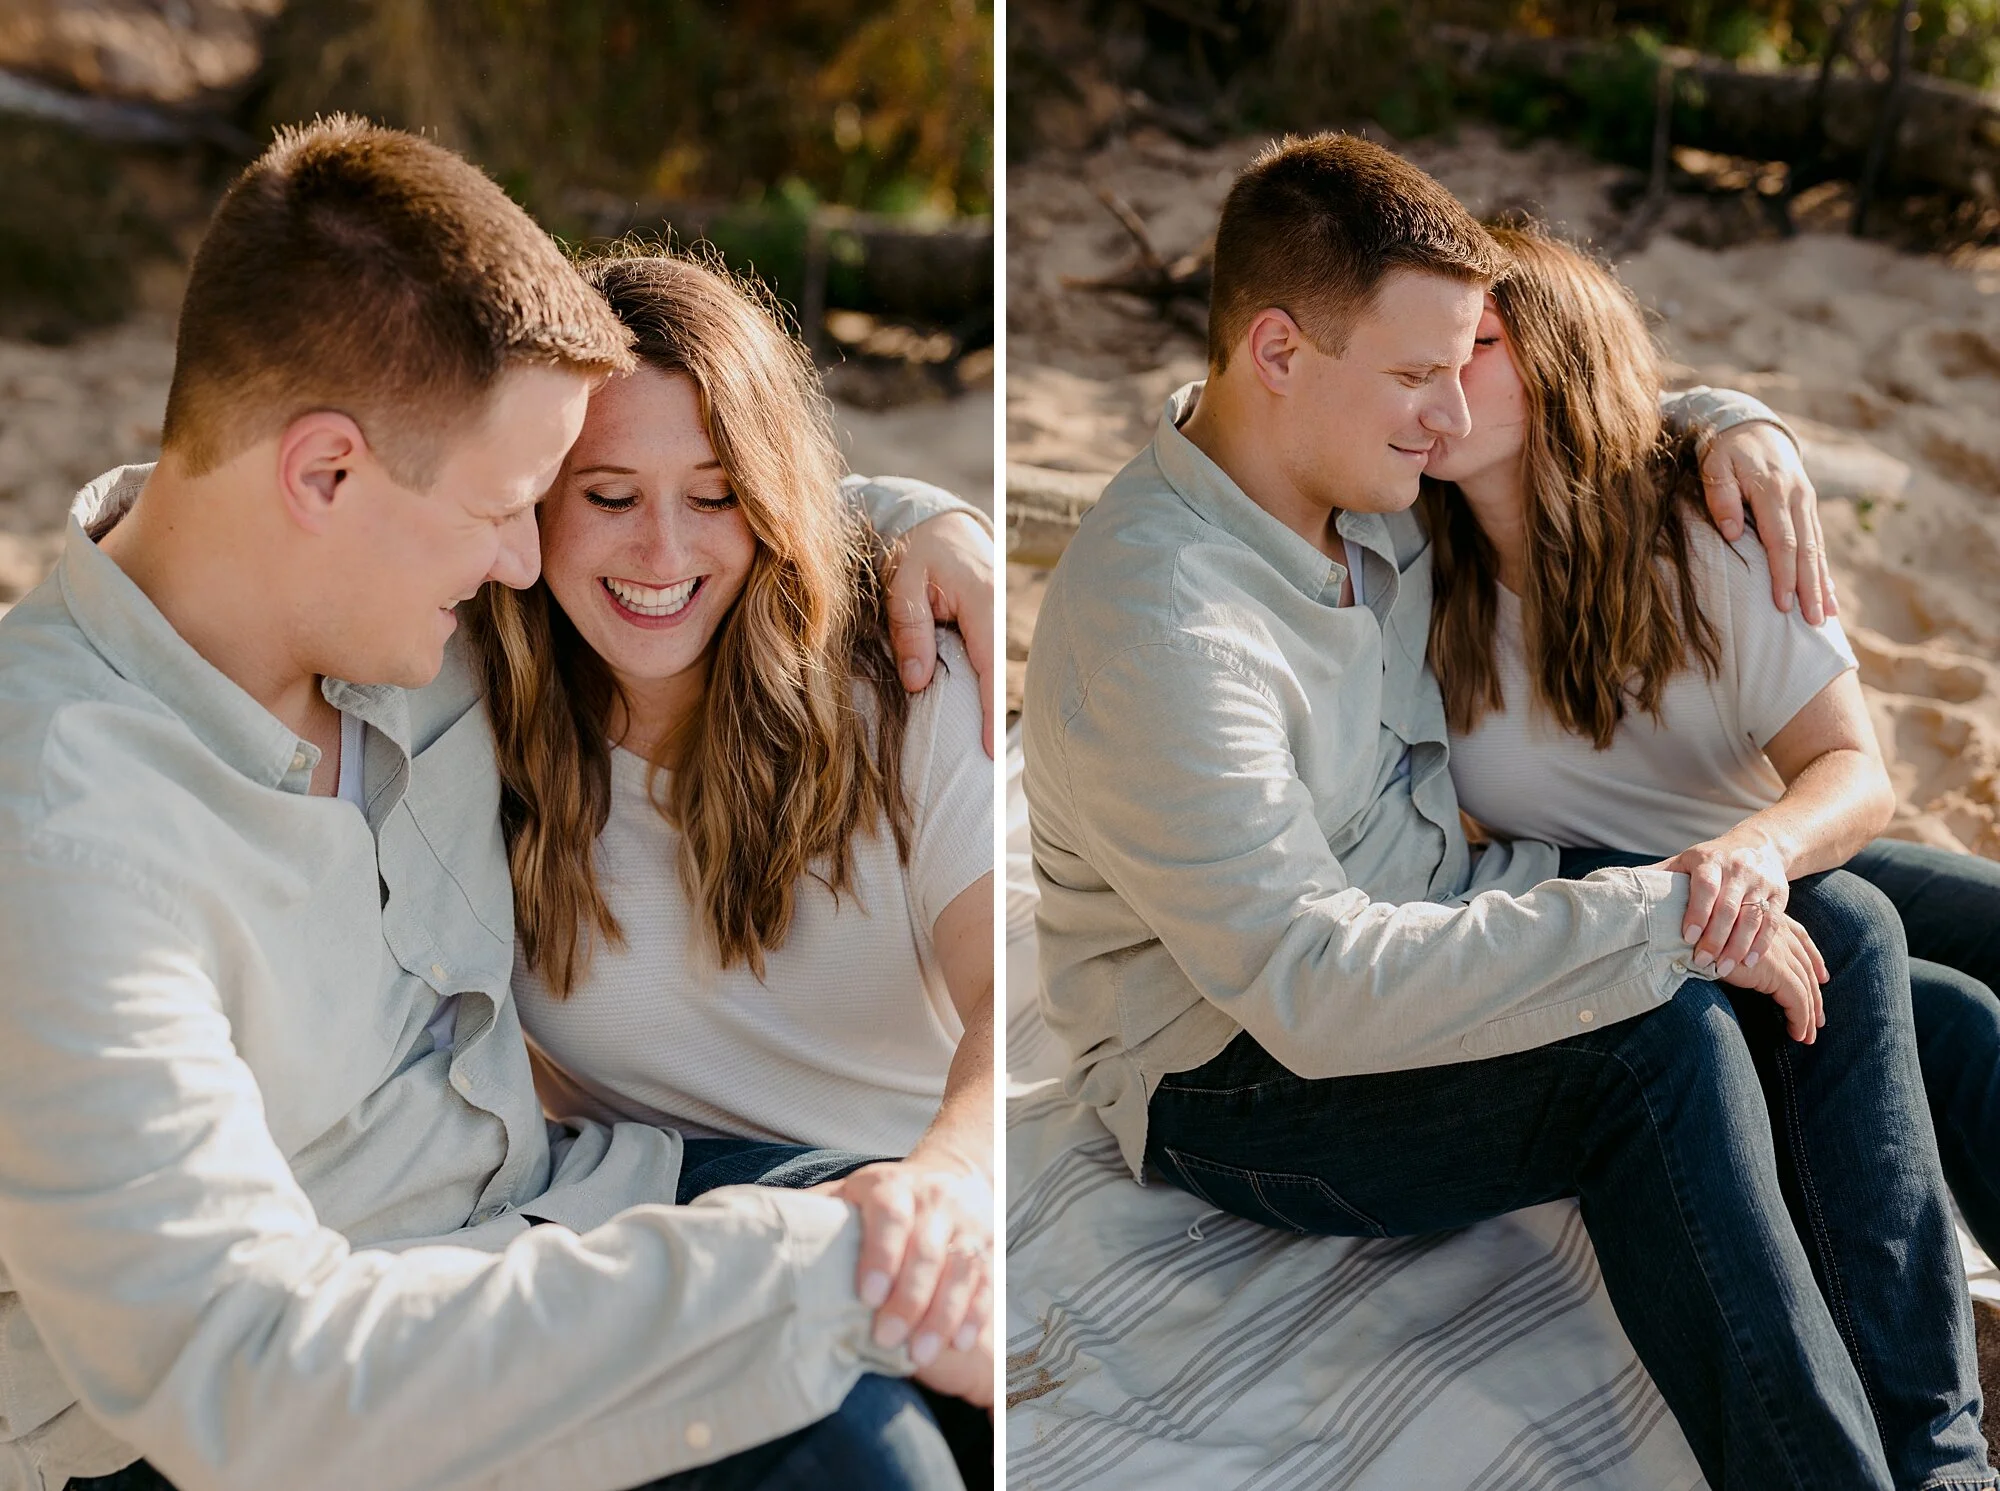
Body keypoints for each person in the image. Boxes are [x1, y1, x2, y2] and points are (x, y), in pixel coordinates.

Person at [0, 118, 996, 1491]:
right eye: (506, 504)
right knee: (867, 1454)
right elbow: (238, 1368)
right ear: (327, 473)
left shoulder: (380, 601)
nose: (528, 557)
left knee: (977, 1303)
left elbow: (697, 526)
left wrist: (926, 522)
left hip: (556, 1204)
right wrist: (798, 1272)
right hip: (319, 1382)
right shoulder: (61, 835)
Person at [1022, 130, 1989, 1489]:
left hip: (1446, 914)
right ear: (1281, 353)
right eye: (1416, 375)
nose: (1440, 412)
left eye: (1452, 367)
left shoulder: (1356, 479)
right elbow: (1307, 981)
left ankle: (1941, 1462)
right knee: (1664, 1039)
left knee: (1857, 936)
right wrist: (1657, 918)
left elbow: (1566, 402)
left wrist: (1729, 419)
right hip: (1233, 1067)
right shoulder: (1169, 622)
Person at [1422, 214, 2000, 1333]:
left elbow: (1847, 769)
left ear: (1558, 361)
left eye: (1478, 342)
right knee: (1960, 1026)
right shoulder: (1403, 552)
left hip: (1769, 846)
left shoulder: (1704, 526)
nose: (1441, 366)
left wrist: (1734, 419)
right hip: (1631, 908)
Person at [469, 251, 994, 1473]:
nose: (661, 551)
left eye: (714, 495)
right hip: (659, 1215)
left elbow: (1006, 997)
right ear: (530, 498)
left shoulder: (903, 677)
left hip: (919, 1186)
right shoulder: (466, 709)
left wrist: (946, 1188)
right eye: (606, 495)